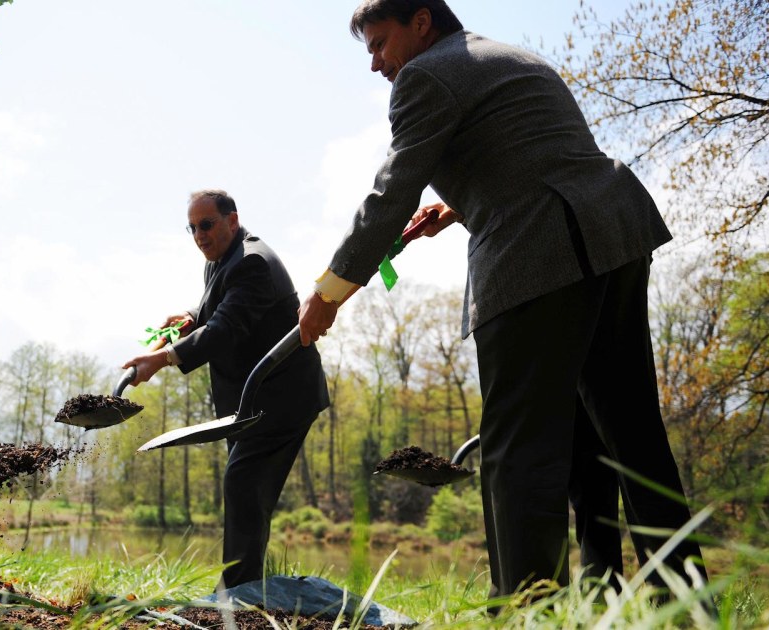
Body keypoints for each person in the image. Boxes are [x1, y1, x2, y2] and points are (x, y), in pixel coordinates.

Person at [296, 0, 707, 600]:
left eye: (380, 43)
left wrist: (330, 290)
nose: (376, 63)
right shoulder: (510, 56)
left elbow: (392, 193)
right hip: (613, 233)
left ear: (421, 22)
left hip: (537, 251)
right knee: (628, 434)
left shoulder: (425, 75)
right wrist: (458, 206)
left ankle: (528, 607)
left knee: (520, 449)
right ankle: (678, 599)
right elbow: (534, 153)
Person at [123, 189, 329, 589]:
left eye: (207, 224)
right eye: (192, 228)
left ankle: (238, 594)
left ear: (232, 220)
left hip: (281, 398)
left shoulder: (252, 262)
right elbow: (217, 308)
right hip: (252, 403)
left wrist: (162, 358)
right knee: (246, 490)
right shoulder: (222, 259)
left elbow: (225, 328)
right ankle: (243, 590)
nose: (199, 235)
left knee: (243, 484)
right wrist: (190, 316)